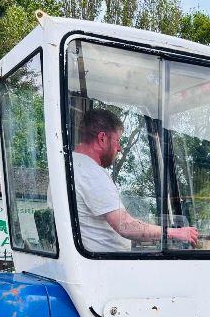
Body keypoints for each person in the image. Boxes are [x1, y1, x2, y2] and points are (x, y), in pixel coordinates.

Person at [72, 108, 199, 252]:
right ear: (102, 138)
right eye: (117, 141)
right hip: (106, 266)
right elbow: (125, 225)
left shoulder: (72, 167)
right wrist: (177, 232)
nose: (119, 148)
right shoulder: (90, 172)